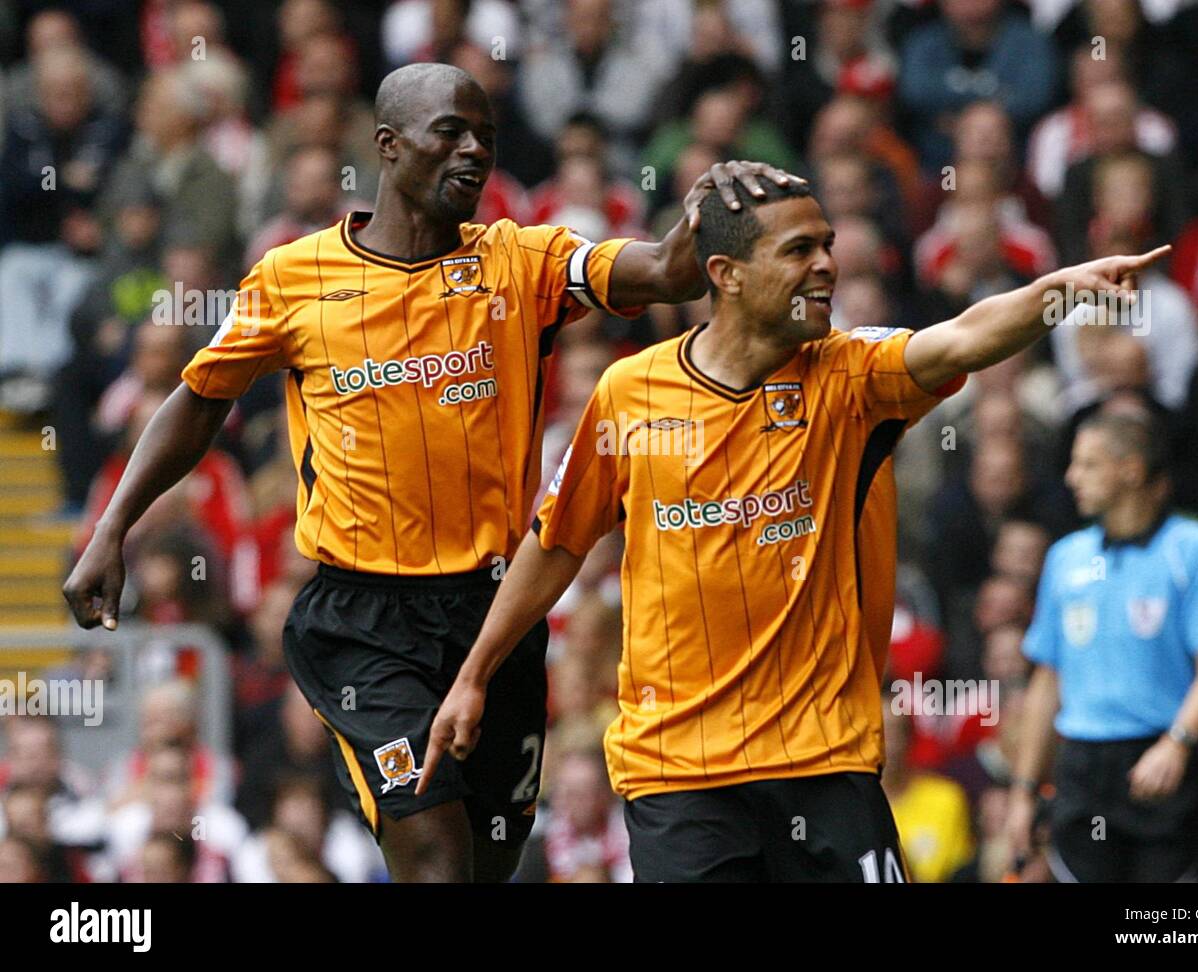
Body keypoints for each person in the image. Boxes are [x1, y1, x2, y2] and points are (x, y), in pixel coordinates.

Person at [63, 61, 793, 884]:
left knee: (486, 866)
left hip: (494, 616)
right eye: (450, 132)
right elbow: (199, 400)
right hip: (364, 623)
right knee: (435, 860)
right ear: (388, 145)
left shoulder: (526, 260)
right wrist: (112, 526)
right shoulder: (294, 278)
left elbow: (666, 271)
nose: (474, 150)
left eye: (485, 135)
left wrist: (710, 200)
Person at [418, 175, 1171, 881]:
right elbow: (557, 543)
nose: (825, 268)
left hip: (824, 765)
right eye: (799, 250)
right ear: (727, 273)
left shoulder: (851, 377)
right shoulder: (630, 393)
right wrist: (474, 676)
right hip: (680, 778)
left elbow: (963, 337)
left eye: (828, 246)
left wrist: (1057, 293)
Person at [1006, 413, 1198, 882]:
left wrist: (1177, 744)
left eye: (1088, 465)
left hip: (1160, 758)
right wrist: (1024, 789)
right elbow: (1048, 679)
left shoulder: (1191, 546)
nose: (1072, 478)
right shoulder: (1065, 557)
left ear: (1130, 470)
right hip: (1082, 766)